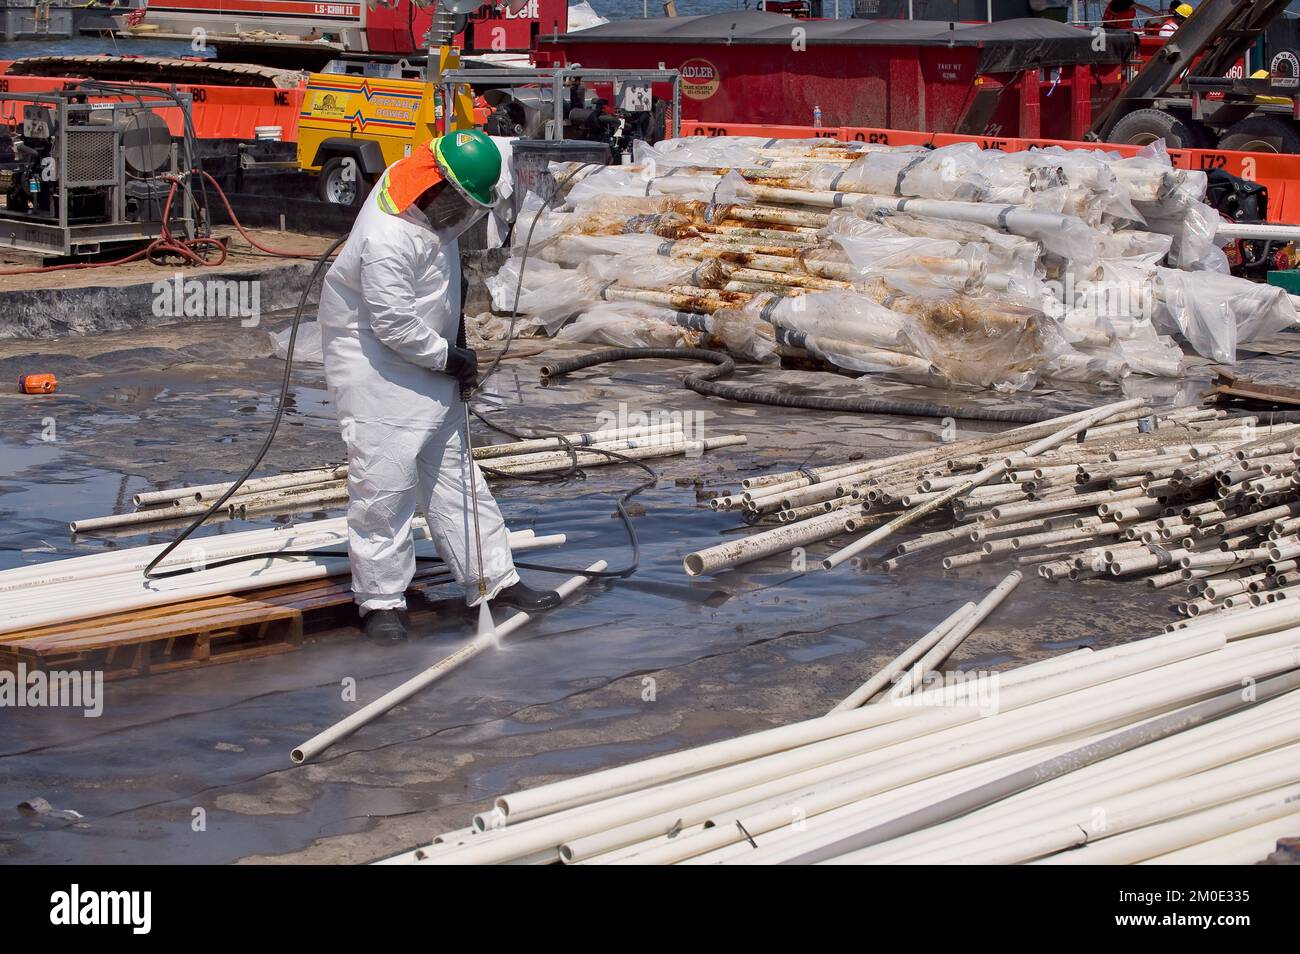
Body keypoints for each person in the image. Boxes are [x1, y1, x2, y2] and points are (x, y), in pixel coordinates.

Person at [316, 130, 561, 642]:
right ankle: (381, 601)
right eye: (462, 203)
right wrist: (451, 357)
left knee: (455, 477)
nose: (463, 215)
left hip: (427, 359)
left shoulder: (426, 200)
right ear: (438, 187)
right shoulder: (388, 237)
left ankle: (493, 580)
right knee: (384, 486)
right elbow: (393, 325)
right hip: (377, 368)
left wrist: (455, 335)